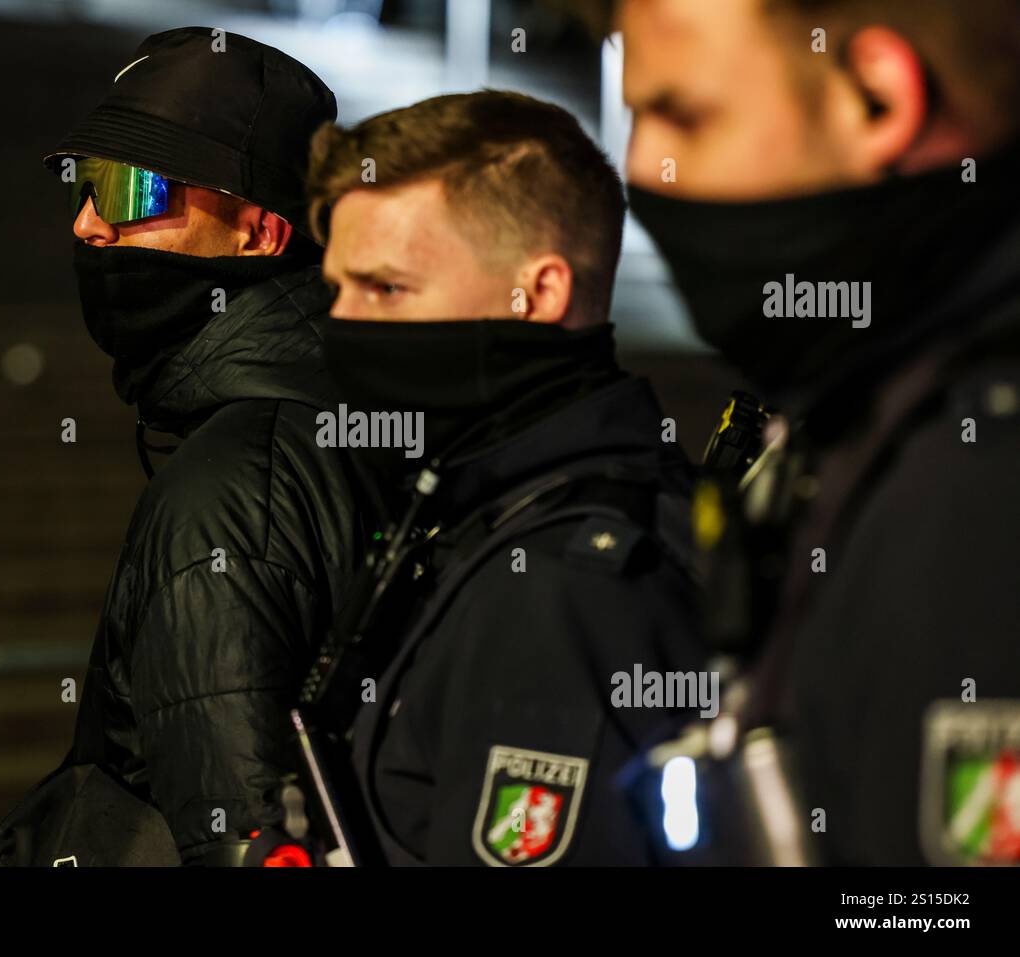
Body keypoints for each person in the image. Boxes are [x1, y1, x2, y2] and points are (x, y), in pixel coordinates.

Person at [589, 0, 1020, 865]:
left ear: (878, 100)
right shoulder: (858, 409)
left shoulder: (979, 478)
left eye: (681, 115)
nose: (642, 168)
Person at [299, 91, 706, 866]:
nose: (342, 325)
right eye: (336, 290)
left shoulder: (563, 585)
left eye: (384, 288)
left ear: (539, 294)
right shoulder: (501, 508)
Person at [0, 27, 369, 866]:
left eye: (134, 189)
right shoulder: (356, 411)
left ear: (261, 233)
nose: (90, 225)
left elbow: (248, 840)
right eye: (86, 186)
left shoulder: (224, 493)